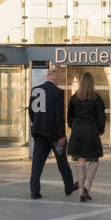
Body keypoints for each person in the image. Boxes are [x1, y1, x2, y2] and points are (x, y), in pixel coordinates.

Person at [28, 66, 77, 200]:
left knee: (37, 163)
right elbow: (59, 117)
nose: (60, 78)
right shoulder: (57, 92)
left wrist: (37, 123)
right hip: (55, 136)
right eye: (59, 75)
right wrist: (62, 136)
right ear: (53, 76)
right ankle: (68, 187)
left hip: (39, 134)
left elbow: (31, 111)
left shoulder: (35, 90)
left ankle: (34, 191)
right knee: (62, 161)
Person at [66, 72, 105, 202]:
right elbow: (101, 117)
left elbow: (69, 117)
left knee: (80, 160)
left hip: (78, 131)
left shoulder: (74, 98)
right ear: (92, 83)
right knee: (94, 159)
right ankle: (87, 186)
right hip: (91, 131)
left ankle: (81, 190)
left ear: (81, 83)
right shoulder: (97, 98)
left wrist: (75, 127)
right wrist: (100, 130)